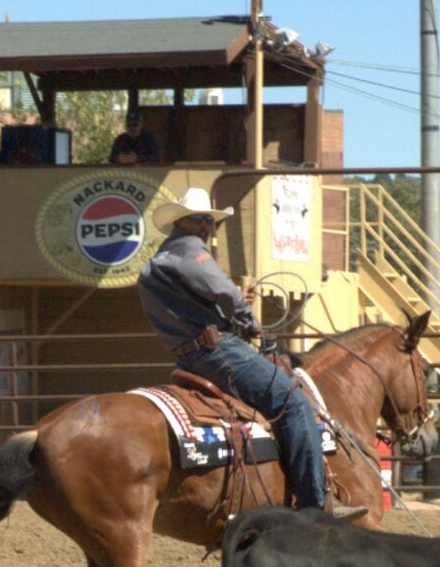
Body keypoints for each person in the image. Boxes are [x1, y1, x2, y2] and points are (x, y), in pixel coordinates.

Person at [136, 187, 365, 519]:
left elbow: (193, 306)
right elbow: (225, 294)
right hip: (219, 352)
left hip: (189, 357)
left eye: (209, 221)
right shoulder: (192, 252)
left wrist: (230, 308)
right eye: (199, 220)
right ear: (181, 222)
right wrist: (250, 324)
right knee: (293, 402)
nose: (205, 227)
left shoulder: (156, 264)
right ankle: (314, 505)